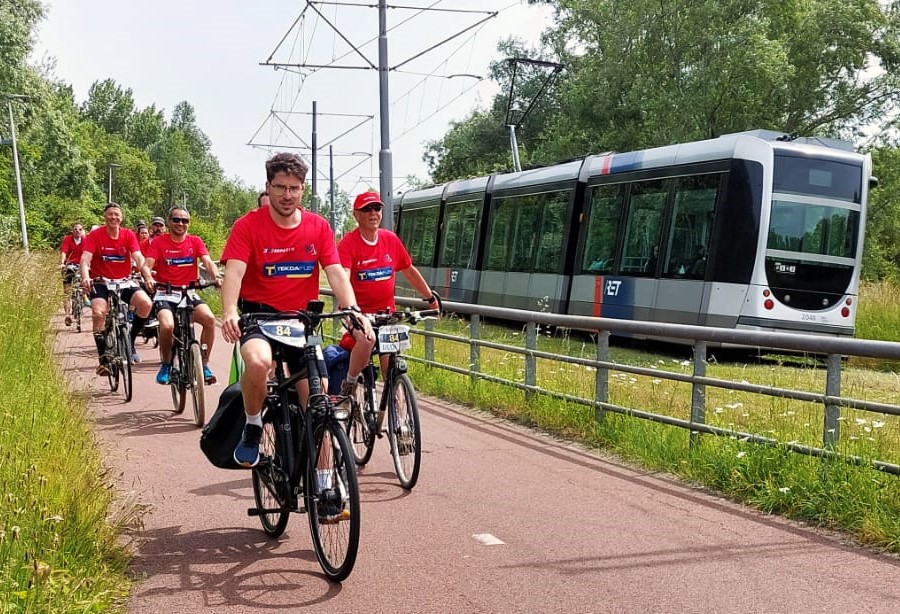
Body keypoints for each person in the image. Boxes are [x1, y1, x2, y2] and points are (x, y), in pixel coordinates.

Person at [220, 152, 374, 484]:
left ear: (303, 189)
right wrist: (230, 311)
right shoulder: (248, 226)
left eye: (294, 188)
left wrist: (352, 309)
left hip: (302, 325)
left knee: (318, 401)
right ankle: (252, 424)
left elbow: (336, 273)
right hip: (259, 319)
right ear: (268, 186)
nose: (287, 195)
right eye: (280, 187)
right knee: (258, 363)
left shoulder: (318, 227)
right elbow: (234, 272)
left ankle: (325, 483)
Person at [337, 190, 438, 397]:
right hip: (358, 313)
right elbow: (343, 278)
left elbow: (409, 271)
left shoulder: (390, 239)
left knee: (390, 368)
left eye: (377, 208)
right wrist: (351, 309)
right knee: (367, 340)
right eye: (367, 209)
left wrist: (430, 298)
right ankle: (350, 383)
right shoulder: (348, 243)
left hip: (386, 314)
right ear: (356, 214)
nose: (373, 213)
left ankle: (392, 410)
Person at [142, 206, 221, 386]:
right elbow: (147, 265)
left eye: (184, 220)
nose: (180, 223)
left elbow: (208, 262)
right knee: (167, 326)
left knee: (209, 319)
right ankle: (166, 365)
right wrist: (148, 278)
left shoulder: (195, 241)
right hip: (166, 293)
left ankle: (204, 364)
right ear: (169, 221)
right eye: (176, 220)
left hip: (188, 293)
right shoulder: (159, 242)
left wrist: (216, 277)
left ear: (188, 223)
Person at [80, 202, 154, 375]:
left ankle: (130, 339)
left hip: (124, 281)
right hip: (101, 282)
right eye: (110, 214)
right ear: (105, 217)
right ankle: (104, 359)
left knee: (146, 304)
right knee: (98, 313)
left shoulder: (128, 235)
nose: (113, 217)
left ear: (122, 217)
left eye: (117, 214)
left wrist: (147, 276)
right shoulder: (95, 235)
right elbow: (85, 259)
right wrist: (85, 276)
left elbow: (138, 257)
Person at [59, 222, 86, 326]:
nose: (77, 231)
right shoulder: (67, 239)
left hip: (82, 265)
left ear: (82, 231)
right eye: (75, 229)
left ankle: (84, 298)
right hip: (70, 265)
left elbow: (89, 253)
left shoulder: (85, 240)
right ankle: (67, 315)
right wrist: (62, 263)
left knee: (86, 283)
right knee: (67, 291)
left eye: (80, 229)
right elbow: (64, 252)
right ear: (72, 231)